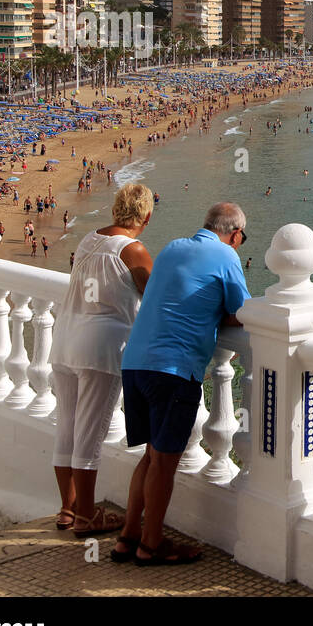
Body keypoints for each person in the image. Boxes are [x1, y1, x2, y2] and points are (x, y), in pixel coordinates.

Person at [114, 203, 251, 565]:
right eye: (242, 238)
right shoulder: (225, 255)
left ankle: (128, 537)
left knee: (149, 456)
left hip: (136, 362)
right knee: (164, 462)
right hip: (172, 370)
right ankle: (151, 545)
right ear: (235, 235)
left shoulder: (173, 247)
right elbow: (242, 312)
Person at [49, 184, 155, 538]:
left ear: (115, 210)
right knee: (89, 433)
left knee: (67, 425)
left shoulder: (88, 239)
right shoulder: (134, 249)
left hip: (64, 338)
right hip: (100, 347)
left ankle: (68, 508)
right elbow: (155, 295)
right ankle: (86, 516)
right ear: (147, 215)